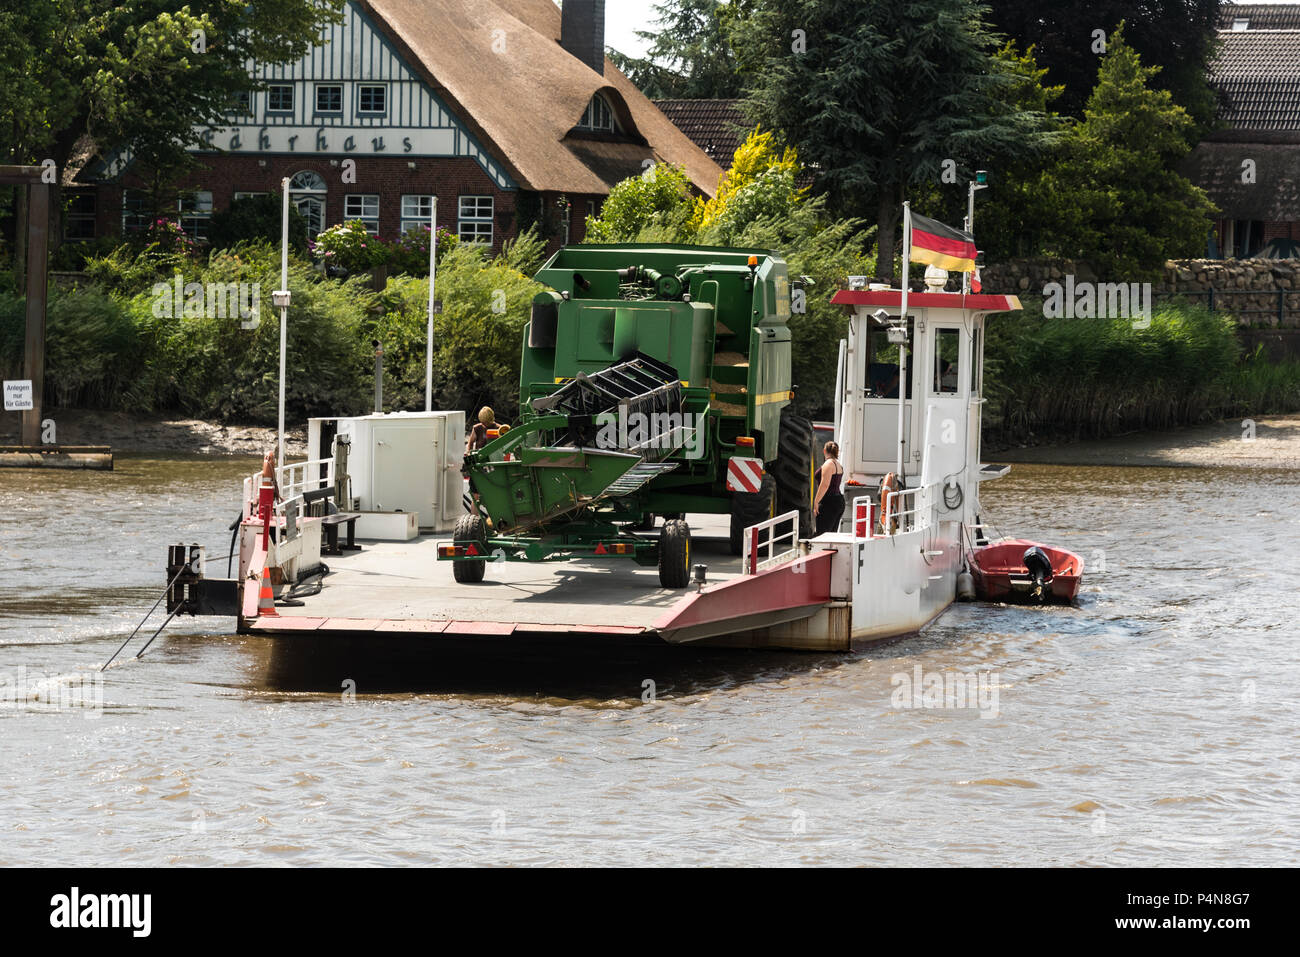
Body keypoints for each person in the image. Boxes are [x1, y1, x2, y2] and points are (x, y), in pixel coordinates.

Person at [813, 441, 845, 536]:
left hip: (829, 502)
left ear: (824, 451)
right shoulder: (838, 465)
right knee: (831, 535)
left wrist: (816, 501)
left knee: (823, 535)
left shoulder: (828, 464)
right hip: (838, 501)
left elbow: (825, 485)